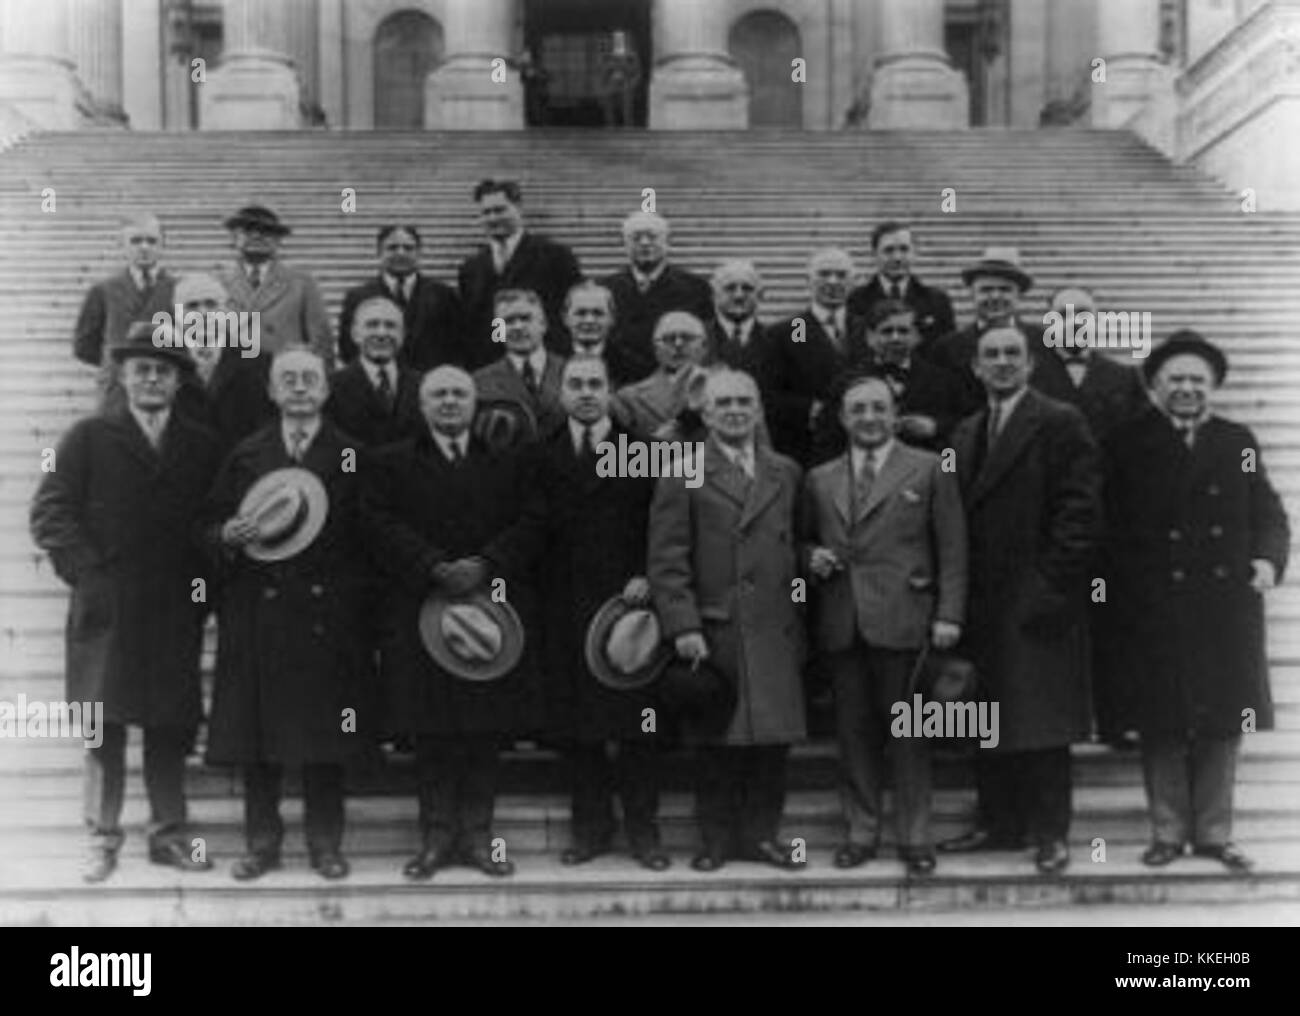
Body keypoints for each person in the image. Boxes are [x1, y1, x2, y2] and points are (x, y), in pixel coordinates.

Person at [31, 323, 221, 884]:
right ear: (122, 375)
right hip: (107, 608)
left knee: (169, 725)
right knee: (102, 726)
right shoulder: (84, 436)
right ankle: (102, 836)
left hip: (171, 609)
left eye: (164, 369)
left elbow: (215, 520)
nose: (153, 378)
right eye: (142, 368)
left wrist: (202, 587)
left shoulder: (203, 446)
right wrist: (89, 574)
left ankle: (169, 833)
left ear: (179, 381)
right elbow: (49, 512)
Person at [1101, 332, 1290, 873]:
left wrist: (1267, 561)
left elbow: (1270, 514)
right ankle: (1166, 832)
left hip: (1224, 608)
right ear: (1156, 386)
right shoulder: (1124, 443)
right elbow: (1106, 526)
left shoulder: (1238, 440)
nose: (1187, 389)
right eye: (1176, 380)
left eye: (1197, 381)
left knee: (1223, 721)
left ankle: (1213, 833)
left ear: (1213, 387)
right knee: (1160, 720)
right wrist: (1115, 592)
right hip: (1152, 606)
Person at [492, 356, 670, 870]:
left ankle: (644, 831)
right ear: (561, 393)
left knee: (639, 726)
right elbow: (525, 528)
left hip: (628, 607)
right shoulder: (536, 454)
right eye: (576, 384)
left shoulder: (640, 452)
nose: (587, 393)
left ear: (611, 390)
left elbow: (663, 523)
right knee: (576, 730)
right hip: (561, 607)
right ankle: (590, 829)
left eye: (596, 383)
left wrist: (648, 575)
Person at [362, 366, 539, 879]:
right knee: (431, 730)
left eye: (459, 393)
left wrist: (486, 565)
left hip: (489, 610)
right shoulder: (390, 461)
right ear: (421, 404)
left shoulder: (505, 461)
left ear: (475, 403)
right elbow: (375, 521)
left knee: (484, 729)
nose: (449, 402)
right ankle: (437, 837)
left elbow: (532, 520)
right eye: (438, 394)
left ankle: (480, 836)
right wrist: (431, 566)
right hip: (420, 609)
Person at [202, 349, 369, 881]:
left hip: (330, 616)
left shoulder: (349, 454)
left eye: (310, 379)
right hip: (259, 613)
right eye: (288, 380)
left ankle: (325, 843)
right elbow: (205, 526)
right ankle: (262, 843)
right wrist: (224, 537)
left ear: (326, 389)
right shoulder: (245, 453)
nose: (300, 388)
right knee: (259, 739)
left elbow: (372, 535)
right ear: (272, 392)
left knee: (327, 737)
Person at [940, 326, 1101, 874]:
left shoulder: (1059, 420)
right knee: (988, 715)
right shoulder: (966, 430)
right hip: (981, 598)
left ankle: (1051, 832)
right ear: (976, 367)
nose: (1002, 363)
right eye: (992, 355)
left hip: (1035, 597)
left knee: (1042, 722)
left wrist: (1050, 587)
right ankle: (998, 824)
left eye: (1013, 354)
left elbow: (1079, 512)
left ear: (1031, 364)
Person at [802, 373, 967, 876]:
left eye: (878, 408)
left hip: (906, 620)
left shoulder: (930, 467)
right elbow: (802, 540)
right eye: (858, 410)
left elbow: (954, 548)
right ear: (843, 418)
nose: (869, 419)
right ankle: (861, 832)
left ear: (895, 414)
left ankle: (915, 837)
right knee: (853, 735)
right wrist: (812, 556)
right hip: (843, 621)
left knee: (909, 735)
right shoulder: (819, 477)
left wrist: (949, 615)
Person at [647, 369, 807, 872]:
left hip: (775, 624)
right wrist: (684, 625)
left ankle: (761, 836)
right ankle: (715, 839)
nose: (735, 410)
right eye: (724, 403)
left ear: (758, 409)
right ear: (707, 413)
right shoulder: (684, 468)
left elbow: (797, 543)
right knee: (716, 740)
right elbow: (667, 557)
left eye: (744, 401)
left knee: (770, 743)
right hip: (717, 625)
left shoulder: (785, 471)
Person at [811, 299, 973, 461]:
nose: (895, 338)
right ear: (870, 337)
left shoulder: (944, 381)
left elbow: (967, 427)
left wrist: (936, 428)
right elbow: (826, 436)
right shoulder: (845, 382)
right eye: (887, 331)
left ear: (917, 336)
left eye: (903, 331)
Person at [766, 248, 871, 466]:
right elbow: (770, 394)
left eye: (841, 275)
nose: (833, 281)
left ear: (853, 282)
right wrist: (808, 409)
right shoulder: (792, 330)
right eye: (824, 274)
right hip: (809, 447)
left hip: (864, 441)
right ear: (809, 281)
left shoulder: (868, 328)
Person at [457, 179, 581, 362]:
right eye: (486, 213)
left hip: (547, 362)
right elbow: (473, 325)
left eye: (499, 210)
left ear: (518, 208)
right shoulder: (471, 268)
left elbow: (570, 311)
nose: (492, 218)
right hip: (491, 367)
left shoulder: (556, 256)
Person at [72, 213, 176, 403]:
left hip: (163, 389)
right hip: (116, 392)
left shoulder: (179, 289)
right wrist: (115, 363)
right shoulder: (103, 290)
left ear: (163, 245)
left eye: (152, 241)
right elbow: (83, 346)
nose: (144, 247)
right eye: (136, 241)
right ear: (122, 244)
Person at [169, 271, 276, 454]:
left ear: (226, 311)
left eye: (211, 304)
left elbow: (267, 428)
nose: (202, 313)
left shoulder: (259, 363)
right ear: (176, 313)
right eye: (191, 306)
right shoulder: (165, 363)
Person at [602, 211, 712, 383]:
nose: (645, 243)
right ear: (624, 244)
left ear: (667, 242)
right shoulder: (605, 289)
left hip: (677, 383)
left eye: (652, 237)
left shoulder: (696, 288)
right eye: (636, 237)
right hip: (619, 382)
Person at [214, 204, 333, 363]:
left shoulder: (302, 284)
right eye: (248, 230)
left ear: (278, 240)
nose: (256, 236)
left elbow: (320, 343)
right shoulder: (216, 284)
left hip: (284, 377)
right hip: (232, 379)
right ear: (234, 238)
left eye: (266, 231)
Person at [338, 225, 466, 371]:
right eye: (392, 248)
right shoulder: (357, 297)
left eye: (408, 248)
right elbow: (348, 349)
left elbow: (457, 346)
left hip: (431, 384)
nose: (401, 253)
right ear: (379, 252)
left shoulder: (443, 295)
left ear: (419, 252)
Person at [928, 246, 1039, 402]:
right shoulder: (947, 349)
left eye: (1005, 289)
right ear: (972, 294)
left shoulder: (1041, 342)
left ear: (1018, 294)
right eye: (986, 290)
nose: (995, 296)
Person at [326, 293, 424, 448]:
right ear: (355, 334)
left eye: (390, 326)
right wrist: (349, 470)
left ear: (403, 335)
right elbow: (342, 449)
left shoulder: (422, 385)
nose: (382, 333)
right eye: (372, 325)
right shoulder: (332, 387)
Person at [472, 289, 567, 442]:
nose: (517, 327)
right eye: (508, 321)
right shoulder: (479, 382)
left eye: (525, 318)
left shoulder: (573, 372)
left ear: (543, 324)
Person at [846, 221, 955, 352]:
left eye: (904, 249)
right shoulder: (856, 300)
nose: (897, 257)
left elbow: (947, 351)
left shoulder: (937, 300)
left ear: (914, 253)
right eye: (889, 250)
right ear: (874, 254)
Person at [610, 311, 710, 439]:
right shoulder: (628, 399)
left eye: (687, 338)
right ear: (656, 349)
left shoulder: (725, 388)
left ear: (704, 347)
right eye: (669, 339)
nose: (678, 344)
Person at [707, 259, 772, 379]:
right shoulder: (697, 338)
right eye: (730, 288)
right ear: (714, 295)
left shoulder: (776, 342)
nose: (739, 296)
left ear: (760, 295)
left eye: (747, 288)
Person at [561, 280, 635, 386]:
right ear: (565, 318)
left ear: (612, 318)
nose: (589, 320)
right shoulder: (547, 363)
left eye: (598, 313)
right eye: (581, 313)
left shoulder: (631, 367)